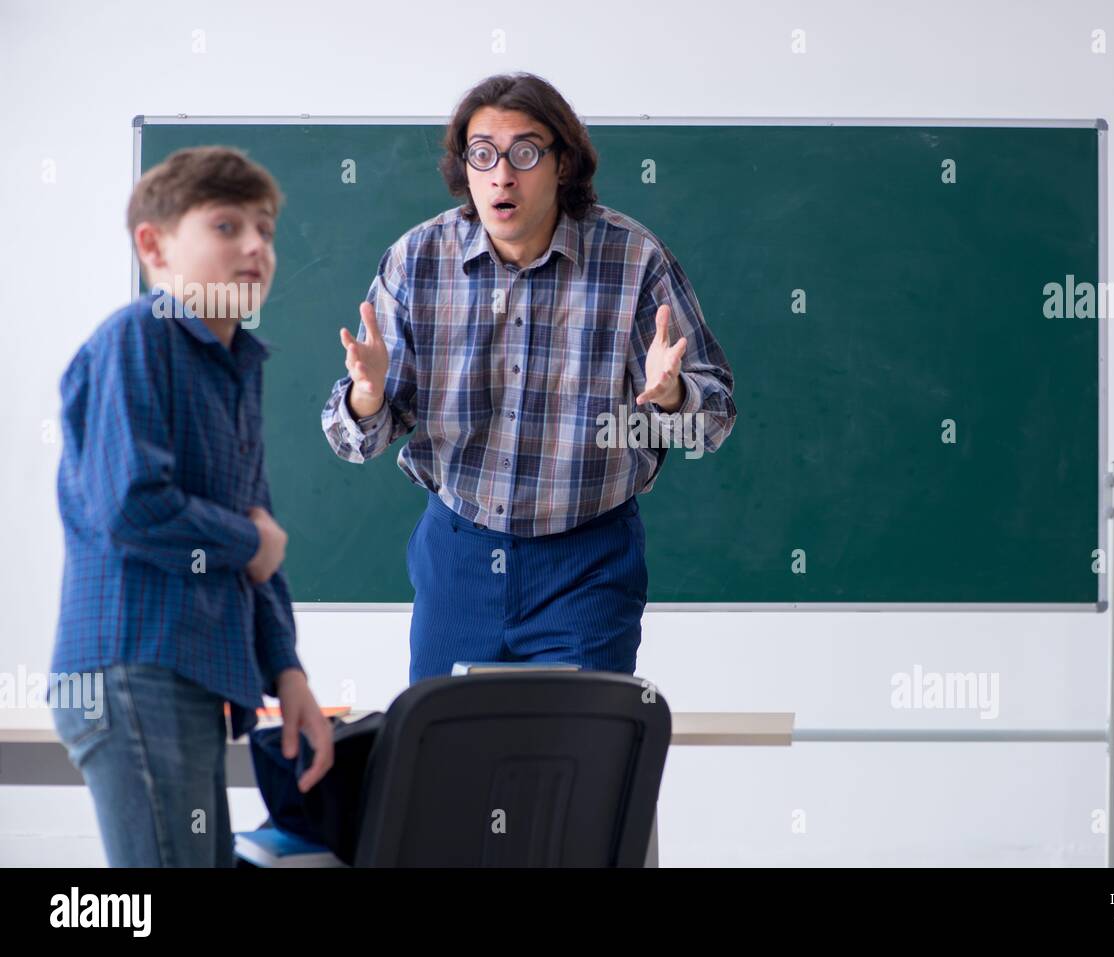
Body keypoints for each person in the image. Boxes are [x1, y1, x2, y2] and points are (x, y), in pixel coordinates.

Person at [322, 72, 738, 681]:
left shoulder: (633, 260)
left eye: (525, 152)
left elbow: (714, 423)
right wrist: (367, 395)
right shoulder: (418, 260)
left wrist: (673, 397)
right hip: (459, 557)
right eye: (482, 154)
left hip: (587, 562)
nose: (502, 175)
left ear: (563, 163)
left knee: (579, 762)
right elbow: (351, 438)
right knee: (443, 761)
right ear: (465, 167)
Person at [50, 146, 334, 867]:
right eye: (226, 226)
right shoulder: (136, 337)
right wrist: (247, 540)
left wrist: (288, 672)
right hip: (132, 664)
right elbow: (134, 505)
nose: (255, 247)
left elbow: (257, 538)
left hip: (193, 674)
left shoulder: (236, 367)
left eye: (265, 230)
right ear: (154, 245)